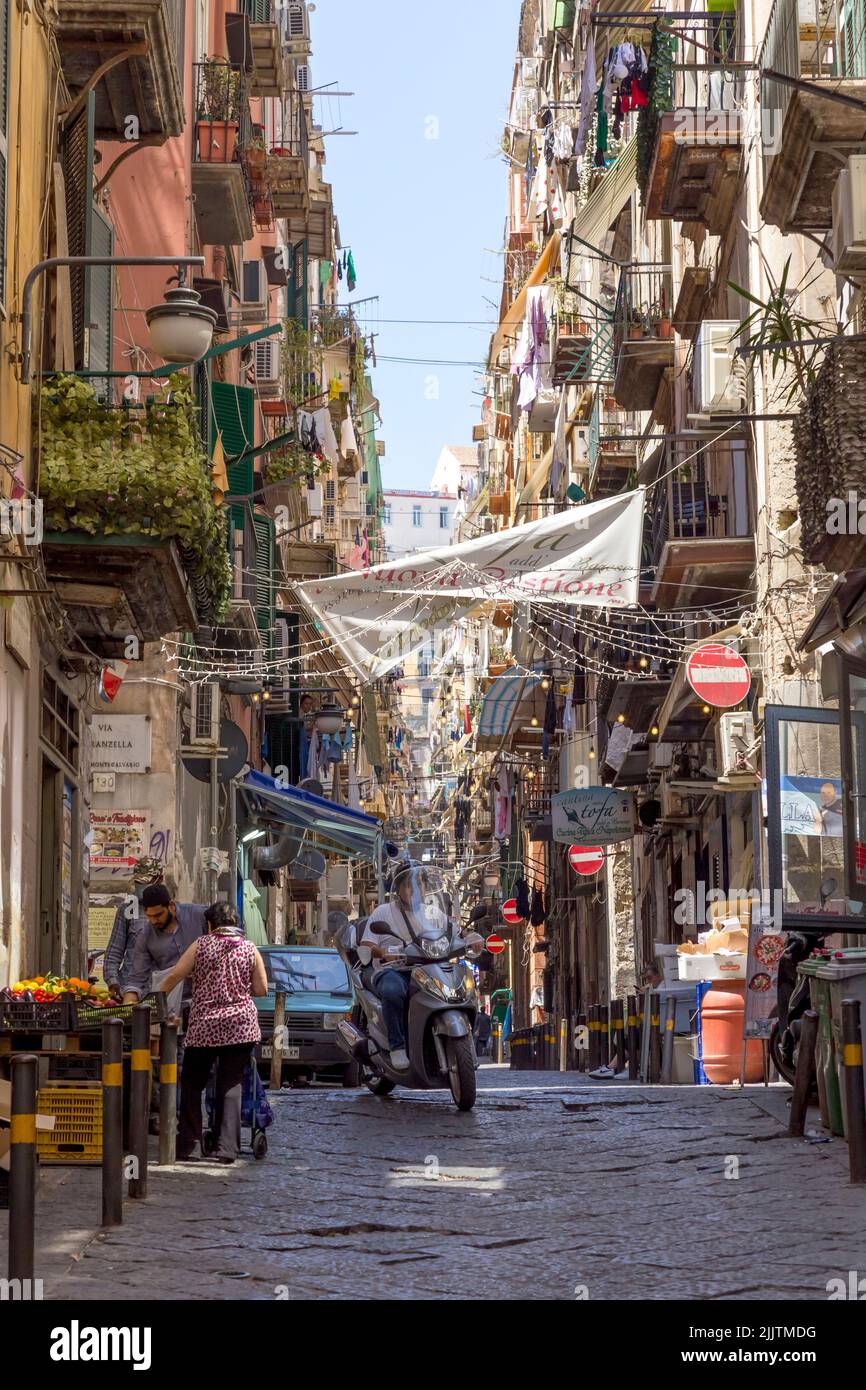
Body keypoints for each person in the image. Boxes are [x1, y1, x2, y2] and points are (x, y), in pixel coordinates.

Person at [156, 902, 268, 1163]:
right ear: (236, 923)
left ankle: (191, 1145)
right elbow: (261, 989)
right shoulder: (250, 949)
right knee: (231, 1083)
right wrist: (236, 991)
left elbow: (175, 976)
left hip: (205, 1025)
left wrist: (156, 998)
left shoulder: (201, 944)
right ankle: (227, 1148)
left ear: (210, 924)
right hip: (240, 1025)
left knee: (193, 1083)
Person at [361, 864, 449, 1071]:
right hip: (393, 970)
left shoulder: (434, 914)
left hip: (428, 969)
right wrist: (383, 953)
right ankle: (397, 1046)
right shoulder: (383, 912)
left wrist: (470, 938)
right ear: (398, 888)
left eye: (419, 886)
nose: (414, 891)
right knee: (392, 991)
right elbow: (366, 943)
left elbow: (453, 932)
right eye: (409, 886)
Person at [122, 888, 209, 1006]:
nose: (153, 921)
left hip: (208, 999)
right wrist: (128, 1005)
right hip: (173, 1003)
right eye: (149, 916)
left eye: (158, 915)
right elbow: (136, 979)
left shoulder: (200, 916)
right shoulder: (146, 936)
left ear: (171, 906)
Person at [103, 857, 164, 998]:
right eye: (137, 882)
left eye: (144, 883)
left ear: (159, 879)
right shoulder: (128, 909)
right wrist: (113, 981)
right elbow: (114, 952)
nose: (140, 887)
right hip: (129, 989)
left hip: (159, 991)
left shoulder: (172, 911)